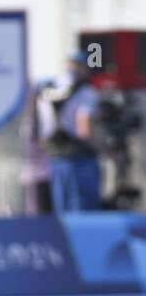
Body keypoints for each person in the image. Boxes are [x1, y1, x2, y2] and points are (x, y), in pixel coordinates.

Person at [37, 51, 102, 211]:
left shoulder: (49, 90)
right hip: (79, 158)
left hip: (55, 157)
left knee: (61, 208)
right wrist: (102, 147)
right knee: (81, 208)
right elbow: (83, 126)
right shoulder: (86, 92)